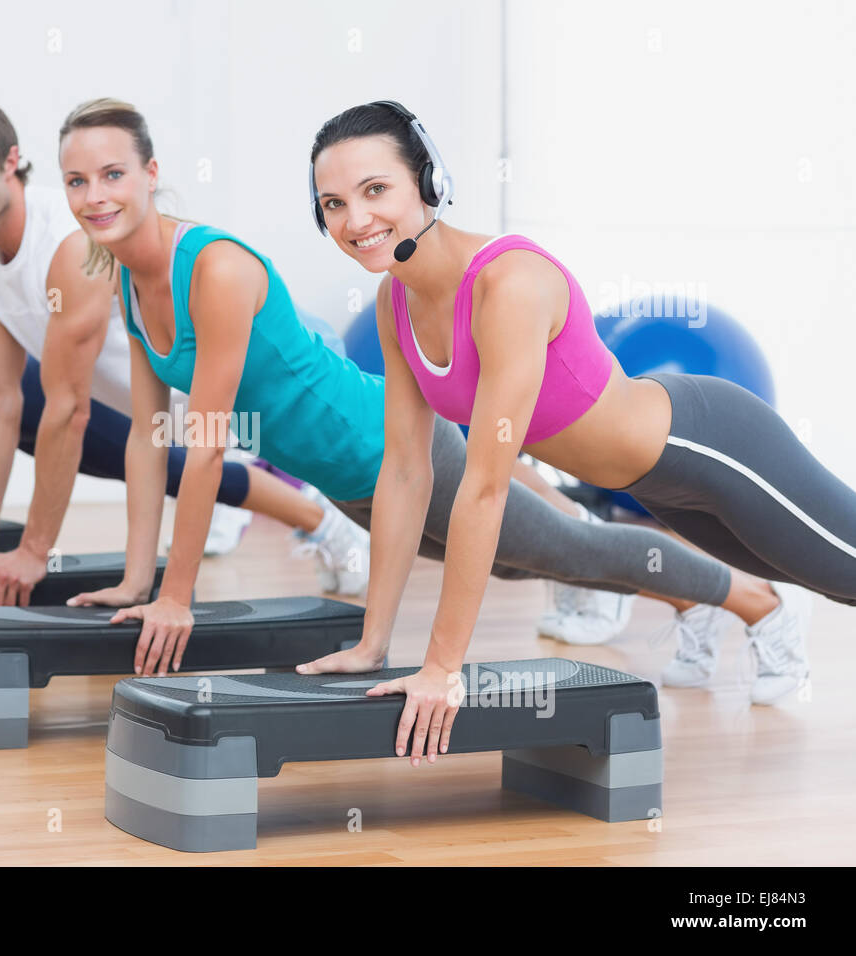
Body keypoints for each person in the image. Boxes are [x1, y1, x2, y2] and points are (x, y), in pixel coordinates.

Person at [55, 97, 800, 693]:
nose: (95, 196)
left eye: (112, 174)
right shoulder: (122, 276)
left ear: (151, 173)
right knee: (524, 561)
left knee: (568, 549)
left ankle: (755, 604)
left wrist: (175, 595)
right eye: (77, 181)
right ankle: (689, 601)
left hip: (387, 447)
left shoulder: (212, 268)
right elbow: (149, 439)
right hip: (347, 480)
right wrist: (134, 578)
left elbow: (207, 446)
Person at [304, 100, 856, 761]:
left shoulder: (508, 284)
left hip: (712, 447)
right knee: (827, 582)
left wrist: (443, 667)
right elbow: (403, 470)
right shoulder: (395, 303)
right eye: (333, 203)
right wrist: (373, 642)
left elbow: (485, 488)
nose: (356, 219)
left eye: (375, 190)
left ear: (428, 182)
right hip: (661, 491)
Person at [0, 95, 369, 602]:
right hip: (153, 403)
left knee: (196, 461)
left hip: (245, 387)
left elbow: (67, 409)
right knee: (170, 460)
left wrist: (34, 552)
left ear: (10, 161)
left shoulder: (70, 244)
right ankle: (297, 517)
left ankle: (324, 521)